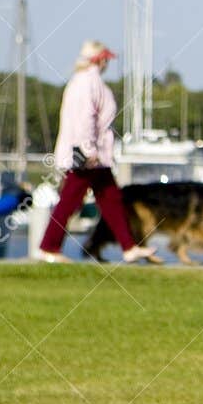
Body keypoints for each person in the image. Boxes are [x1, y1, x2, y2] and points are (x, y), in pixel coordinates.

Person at [37, 40, 158, 264]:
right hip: (86, 156)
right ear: (100, 59)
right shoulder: (88, 83)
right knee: (70, 201)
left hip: (94, 156)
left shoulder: (85, 81)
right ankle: (49, 247)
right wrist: (88, 149)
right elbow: (85, 119)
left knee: (111, 199)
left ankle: (129, 247)